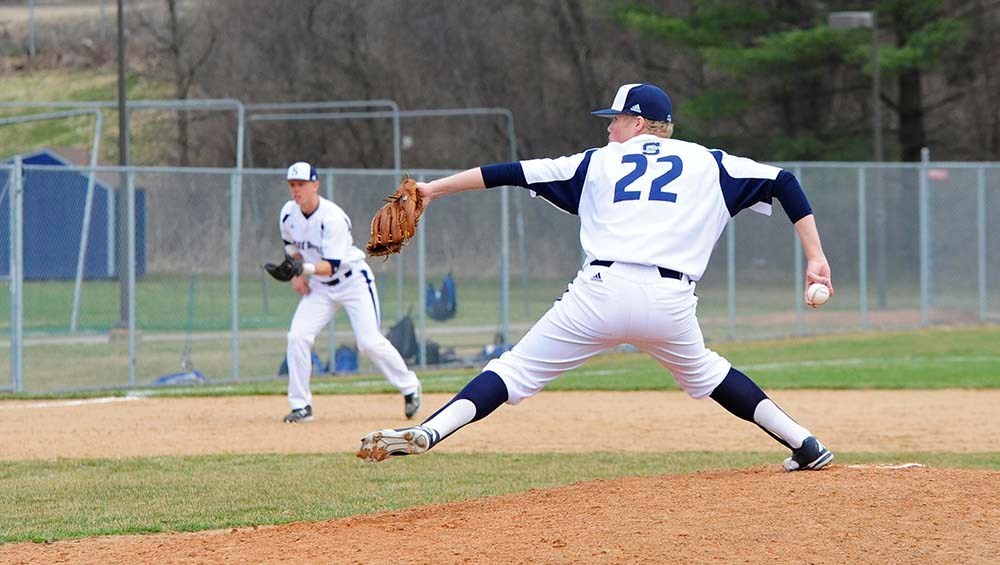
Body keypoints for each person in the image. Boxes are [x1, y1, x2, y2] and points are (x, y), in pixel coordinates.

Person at [356, 84, 834, 471]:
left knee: (513, 370)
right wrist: (815, 257)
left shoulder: (594, 162)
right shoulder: (712, 162)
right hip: (670, 301)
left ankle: (431, 430)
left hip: (599, 294)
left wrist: (433, 190)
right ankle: (805, 443)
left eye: (617, 119)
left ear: (640, 122)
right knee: (709, 374)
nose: (609, 127)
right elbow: (784, 182)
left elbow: (508, 172)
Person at [277, 161, 422, 423]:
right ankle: (301, 406)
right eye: (292, 185)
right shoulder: (288, 213)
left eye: (301, 184)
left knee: (368, 342)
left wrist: (302, 268)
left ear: (315, 185)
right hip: (320, 288)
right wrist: (297, 273)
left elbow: (331, 266)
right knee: (297, 337)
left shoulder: (332, 218)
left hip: (352, 281)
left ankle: (410, 386)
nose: (296, 190)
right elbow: (290, 245)